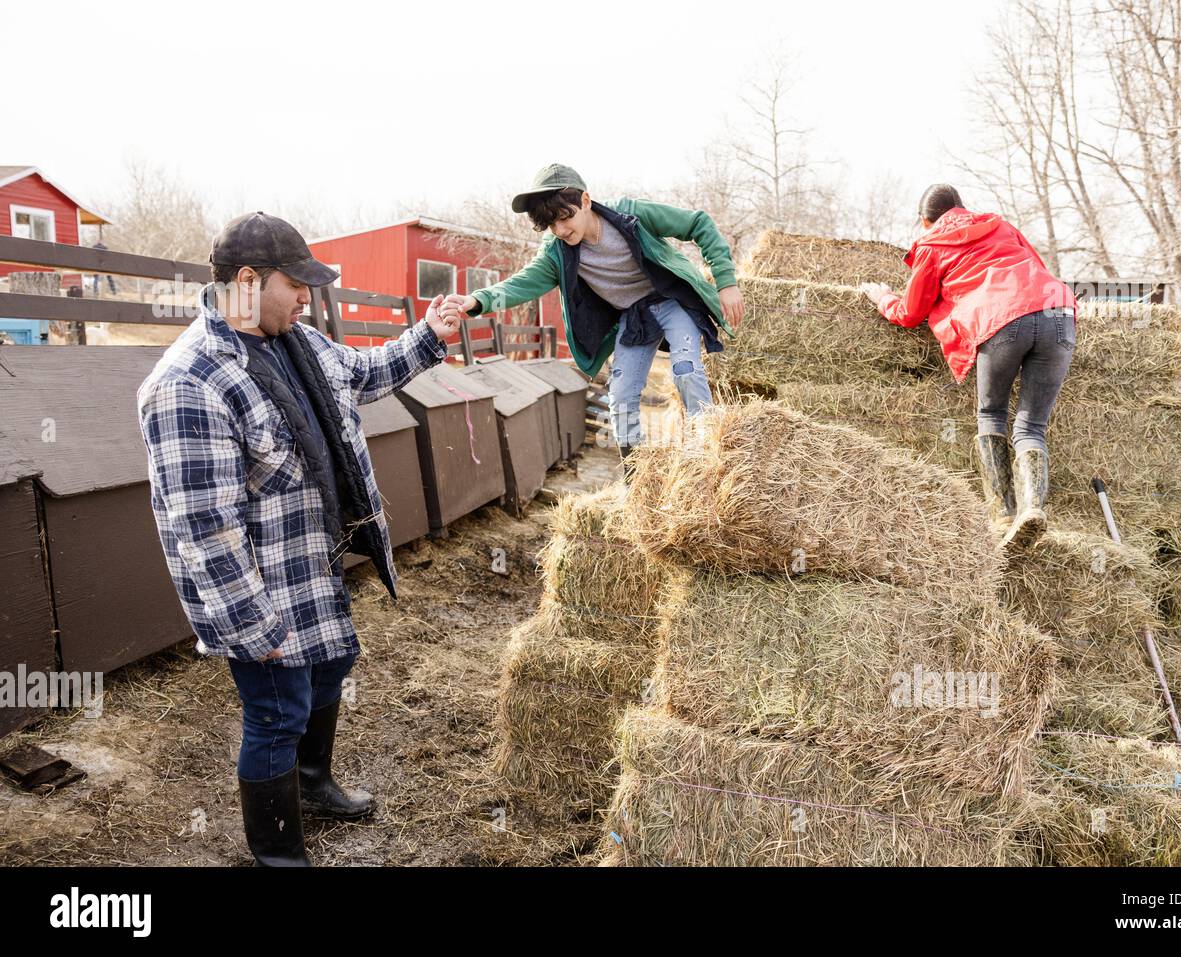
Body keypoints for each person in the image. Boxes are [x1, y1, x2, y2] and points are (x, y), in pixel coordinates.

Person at [137, 212, 459, 866]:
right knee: (278, 714)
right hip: (259, 591)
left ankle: (312, 786)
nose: (309, 296)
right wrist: (257, 625)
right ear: (249, 281)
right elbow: (205, 527)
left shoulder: (299, 342)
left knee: (332, 669)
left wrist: (429, 335)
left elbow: (367, 373)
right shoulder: (189, 382)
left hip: (313, 565)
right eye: (299, 283)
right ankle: (278, 854)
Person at [437, 164, 745, 473]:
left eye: (565, 217)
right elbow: (522, 283)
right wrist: (477, 300)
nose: (560, 230)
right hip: (634, 318)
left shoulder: (629, 215)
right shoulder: (557, 252)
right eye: (550, 224)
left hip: (670, 301)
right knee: (620, 398)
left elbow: (698, 224)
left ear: (585, 201)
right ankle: (638, 480)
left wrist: (726, 282)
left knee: (685, 370)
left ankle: (707, 460)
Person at [861, 184, 1077, 549]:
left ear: (925, 221)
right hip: (1059, 314)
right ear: (962, 207)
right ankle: (1033, 510)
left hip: (1003, 319)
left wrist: (882, 297)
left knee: (992, 414)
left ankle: (1004, 514)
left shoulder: (931, 244)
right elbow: (1038, 269)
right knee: (1032, 426)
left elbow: (911, 312)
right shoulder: (1000, 226)